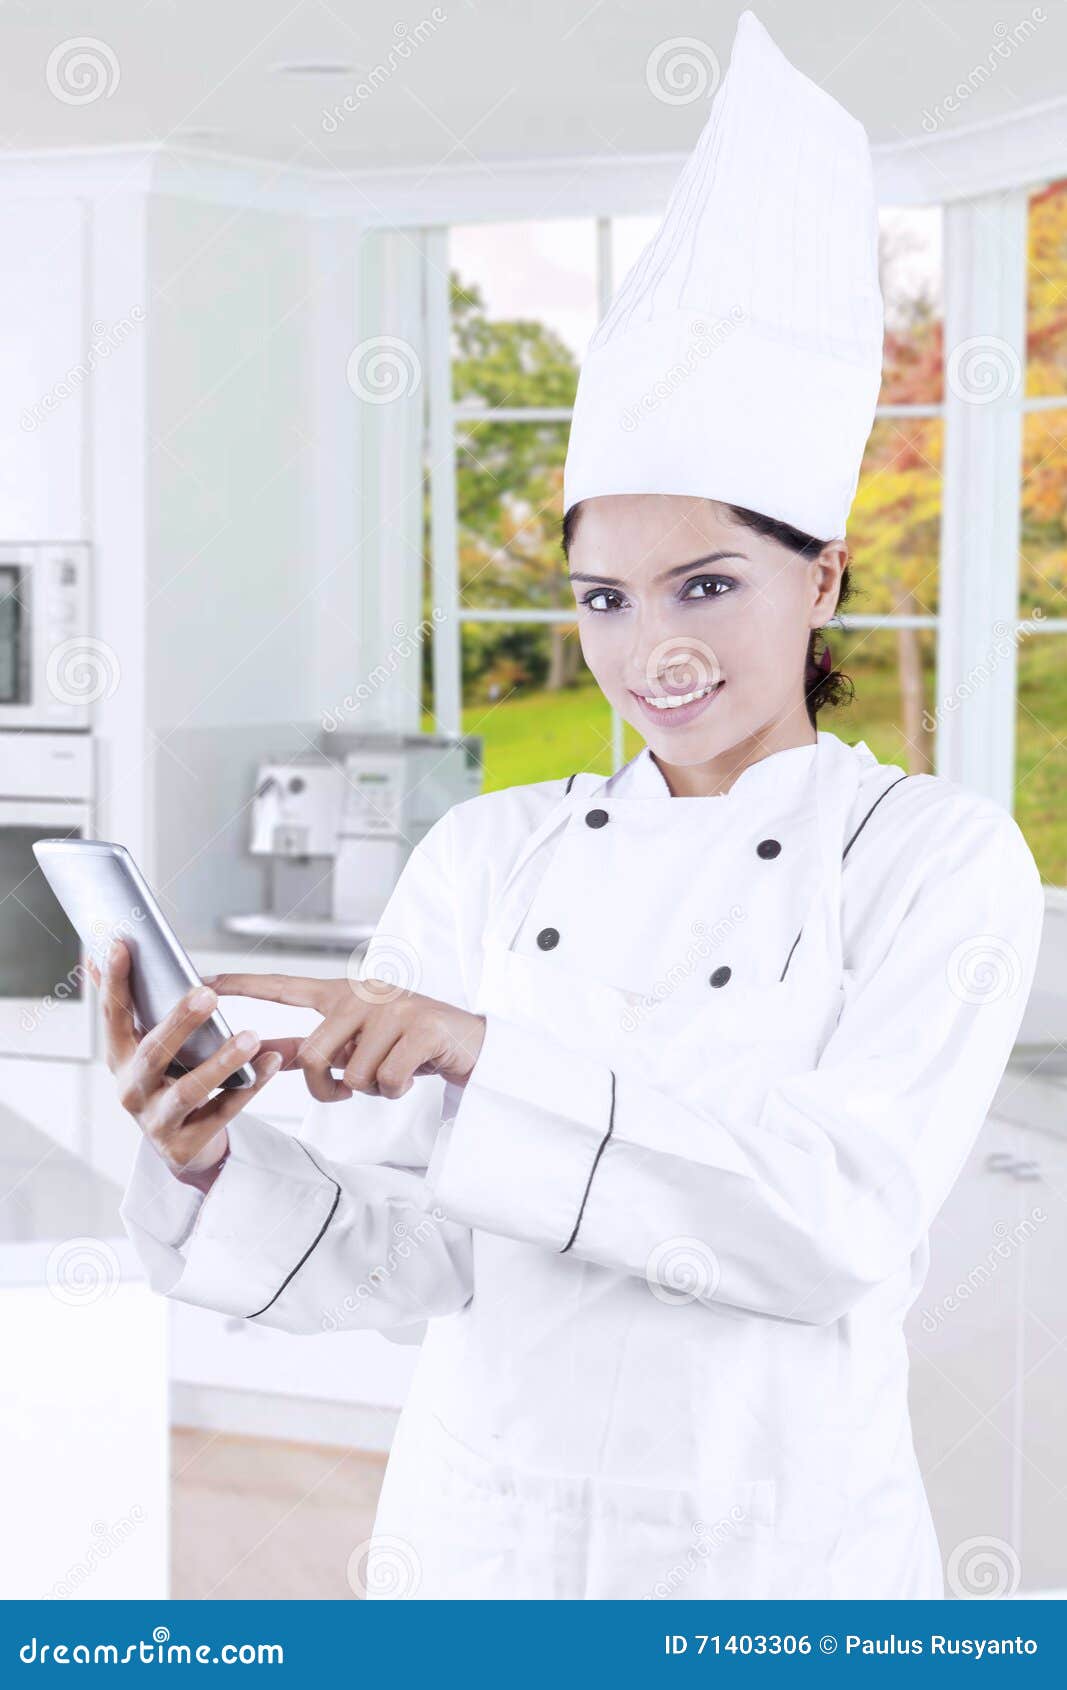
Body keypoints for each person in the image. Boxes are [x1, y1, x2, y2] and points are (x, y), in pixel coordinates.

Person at [100, 12, 1045, 1600]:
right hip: (481, 1539)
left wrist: (487, 1051)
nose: (652, 650)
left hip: (772, 1563)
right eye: (605, 597)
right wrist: (209, 1160)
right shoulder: (490, 854)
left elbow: (826, 1224)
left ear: (821, 576)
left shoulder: (936, 861)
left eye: (708, 584)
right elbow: (412, 1252)